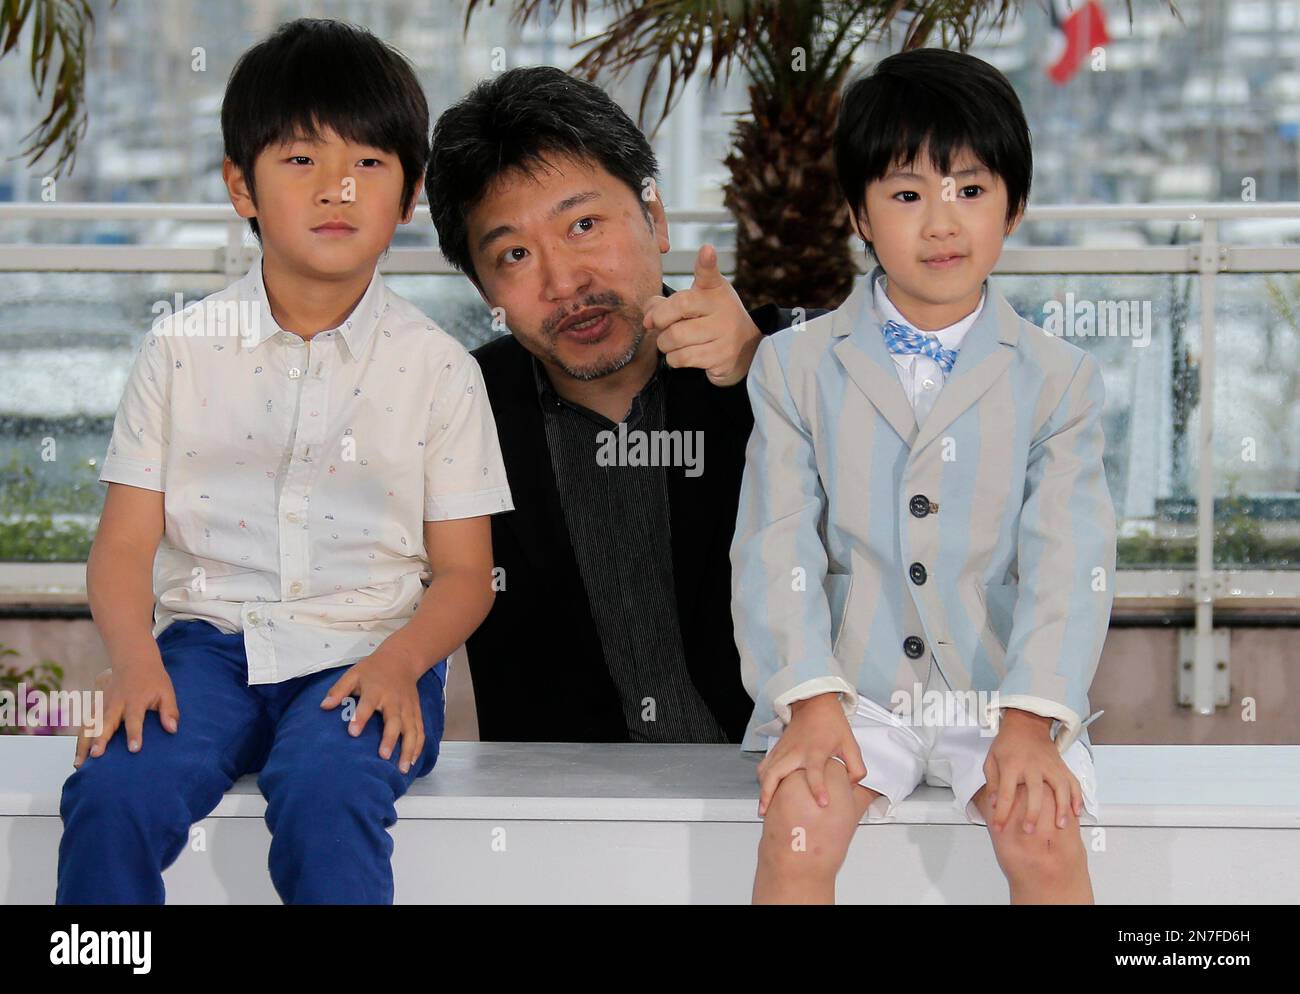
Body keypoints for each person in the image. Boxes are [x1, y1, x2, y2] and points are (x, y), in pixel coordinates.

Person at [56, 18, 512, 904]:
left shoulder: (440, 370)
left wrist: (398, 664)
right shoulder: (179, 349)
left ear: (410, 195)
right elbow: (121, 547)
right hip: (203, 652)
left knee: (327, 788)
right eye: (302, 160)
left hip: (371, 649)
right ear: (241, 186)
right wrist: (133, 661)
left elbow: (466, 574)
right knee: (114, 790)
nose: (338, 187)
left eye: (370, 164)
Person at [733, 48, 1116, 904]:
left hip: (999, 696)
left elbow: (1069, 564)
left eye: (971, 191)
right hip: (852, 694)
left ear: (1014, 206)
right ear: (859, 216)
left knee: (1044, 837)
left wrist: (1028, 719)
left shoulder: (1060, 379)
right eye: (907, 194)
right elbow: (774, 545)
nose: (942, 223)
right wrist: (810, 698)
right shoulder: (793, 366)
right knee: (797, 828)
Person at [424, 67, 822, 744]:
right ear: (479, 285)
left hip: (779, 793)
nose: (563, 281)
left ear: (655, 217)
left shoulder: (787, 361)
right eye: (514, 254)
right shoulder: (455, 410)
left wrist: (765, 368)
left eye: (583, 224)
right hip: (570, 817)